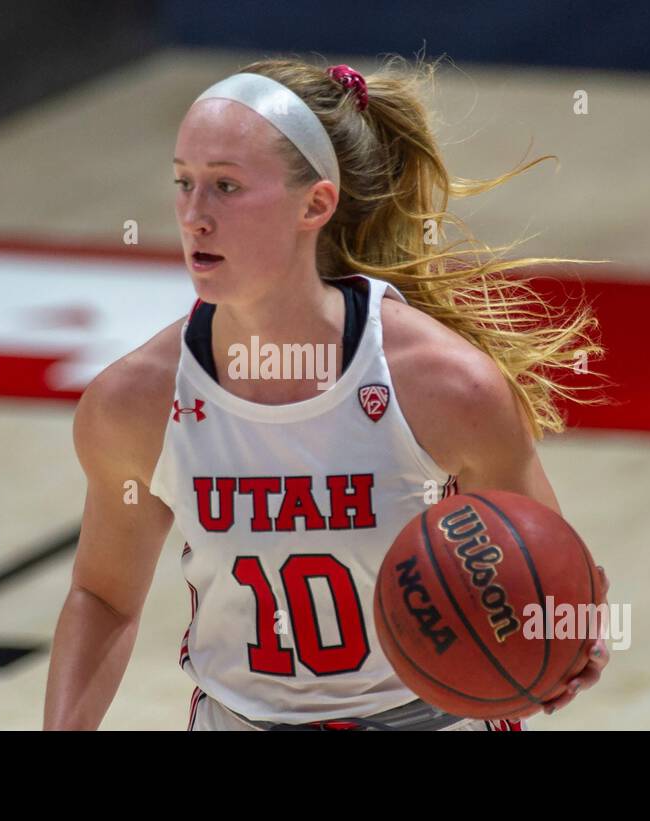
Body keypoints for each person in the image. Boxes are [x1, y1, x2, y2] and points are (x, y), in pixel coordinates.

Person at [44, 56, 608, 731]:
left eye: (226, 186)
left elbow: (550, 567)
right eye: (184, 183)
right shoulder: (133, 403)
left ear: (316, 203)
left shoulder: (441, 384)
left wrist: (571, 637)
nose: (194, 215)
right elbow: (103, 595)